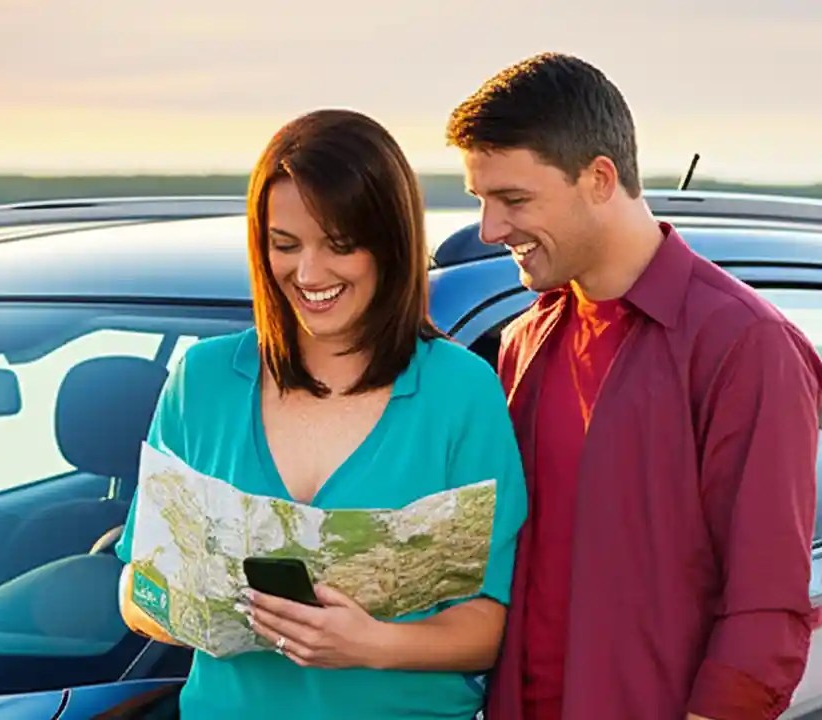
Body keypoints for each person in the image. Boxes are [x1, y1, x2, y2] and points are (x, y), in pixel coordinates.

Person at [113, 108, 528, 719]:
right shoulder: (200, 383)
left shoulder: (461, 393)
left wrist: (371, 644)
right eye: (285, 245)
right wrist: (206, 607)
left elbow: (490, 623)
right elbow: (134, 589)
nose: (308, 274)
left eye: (339, 245)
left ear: (389, 243)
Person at [445, 52, 822, 720]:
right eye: (482, 200)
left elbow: (766, 614)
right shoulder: (526, 340)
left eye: (514, 199)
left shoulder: (745, 346)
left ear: (598, 178)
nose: (491, 229)